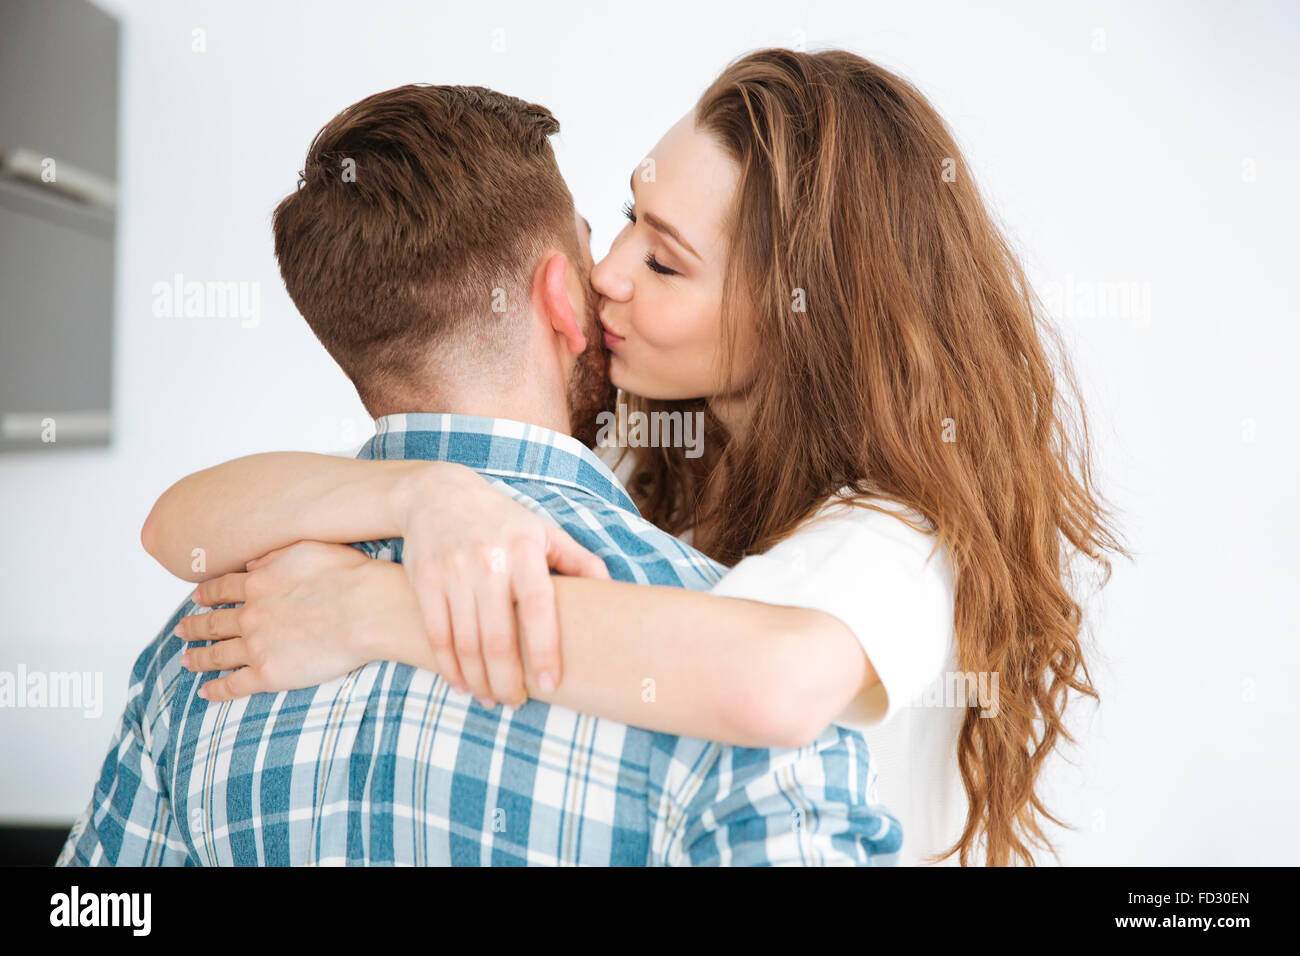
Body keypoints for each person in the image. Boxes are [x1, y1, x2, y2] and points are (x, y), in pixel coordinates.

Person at [141, 50, 1126, 866]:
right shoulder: (654, 477)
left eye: (663, 260)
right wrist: (427, 493)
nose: (603, 272)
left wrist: (377, 608)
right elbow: (178, 523)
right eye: (624, 218)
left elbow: (767, 679)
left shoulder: (891, 537)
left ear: (799, 317)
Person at [56, 82, 902, 867]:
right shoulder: (715, 688)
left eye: (663, 259)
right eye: (603, 235)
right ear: (561, 299)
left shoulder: (221, 633)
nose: (613, 274)